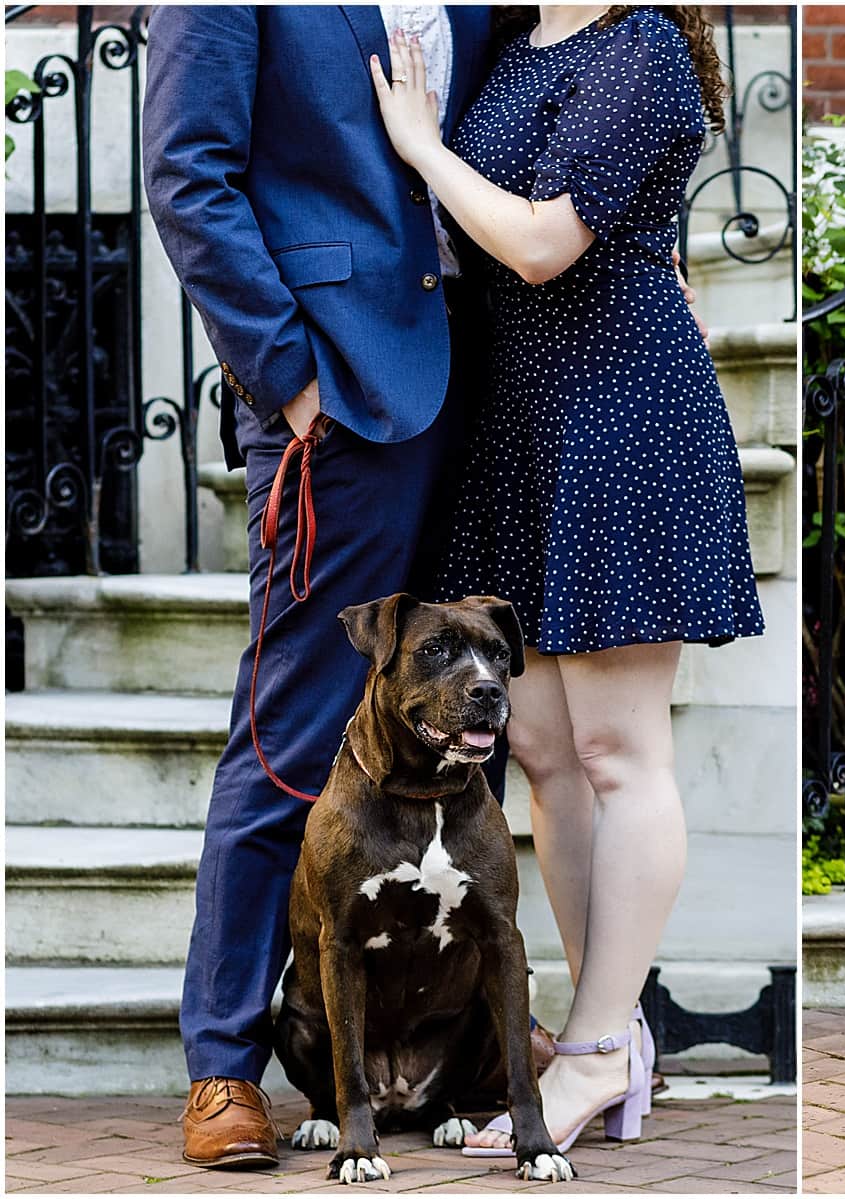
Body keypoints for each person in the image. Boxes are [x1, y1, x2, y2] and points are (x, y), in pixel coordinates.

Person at [367, 4, 764, 1153]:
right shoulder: (515, 42)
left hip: (622, 414)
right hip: (521, 423)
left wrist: (424, 149)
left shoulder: (640, 43)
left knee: (617, 750)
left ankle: (593, 1047)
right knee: (539, 747)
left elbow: (546, 241)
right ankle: (612, 1028)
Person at [142, 6, 498, 1168]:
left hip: (486, 378)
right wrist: (289, 375)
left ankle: (466, 1041)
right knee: (293, 726)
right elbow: (189, 173)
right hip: (339, 391)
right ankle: (223, 1067)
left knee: (474, 718)